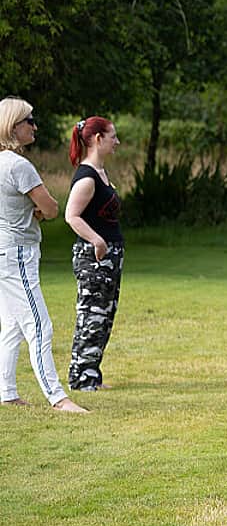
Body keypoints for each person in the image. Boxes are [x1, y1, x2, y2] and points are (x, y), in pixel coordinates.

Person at [0, 98, 88, 412]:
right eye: (29, 121)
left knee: (11, 325)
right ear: (12, 126)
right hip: (17, 254)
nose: (35, 126)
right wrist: (38, 211)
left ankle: (7, 392)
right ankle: (58, 398)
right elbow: (51, 207)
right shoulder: (17, 165)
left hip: (3, 251)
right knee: (39, 326)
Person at [64, 116, 124, 392]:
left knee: (104, 317)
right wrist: (97, 241)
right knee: (91, 316)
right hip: (94, 258)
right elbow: (71, 216)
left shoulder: (100, 174)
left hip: (109, 258)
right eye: (113, 137)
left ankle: (91, 374)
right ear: (98, 139)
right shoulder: (87, 177)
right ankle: (80, 379)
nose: (117, 142)